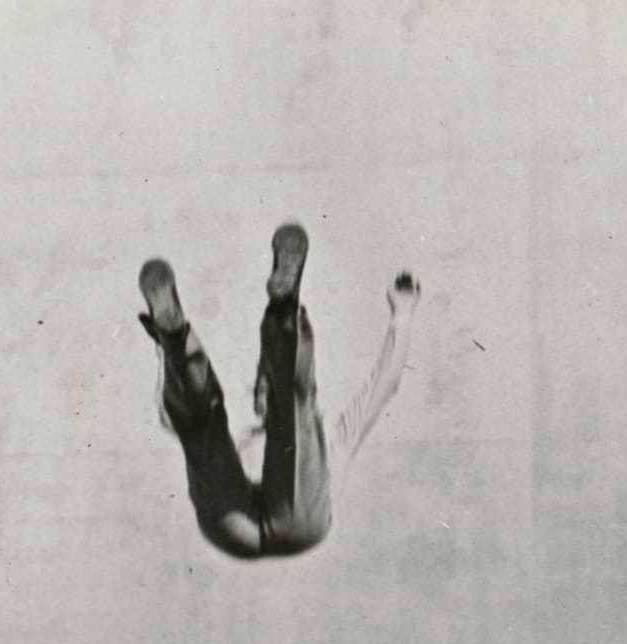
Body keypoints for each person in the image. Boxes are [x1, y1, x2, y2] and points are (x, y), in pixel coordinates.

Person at [138, 225, 418, 559]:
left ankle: (284, 310)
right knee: (202, 426)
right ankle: (179, 337)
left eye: (265, 387)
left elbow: (382, 388)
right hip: (237, 523)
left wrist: (403, 314)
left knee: (294, 408)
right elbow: (178, 421)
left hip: (291, 522)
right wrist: (166, 348)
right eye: (261, 388)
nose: (261, 396)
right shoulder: (244, 440)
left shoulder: (328, 441)